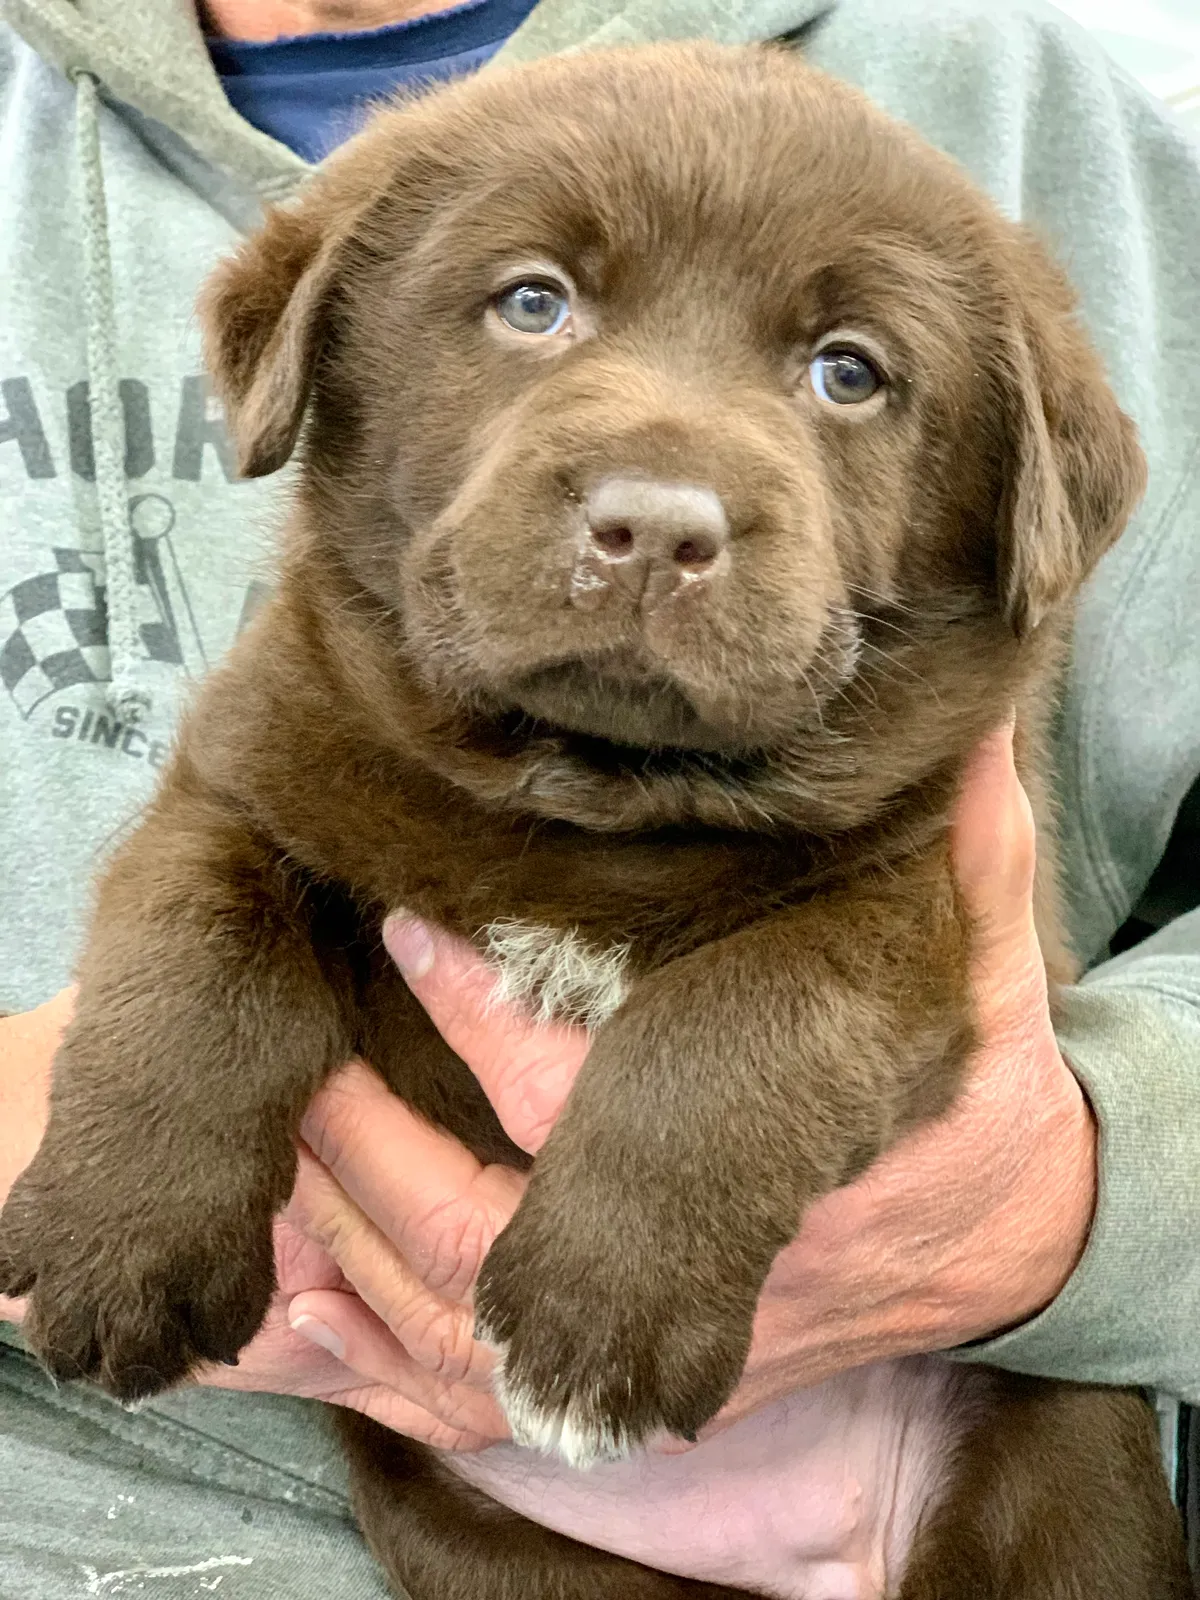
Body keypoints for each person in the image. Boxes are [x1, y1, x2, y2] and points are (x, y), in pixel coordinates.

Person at [0, 0, 1197, 1593]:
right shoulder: (304, 733)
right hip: (427, 1515)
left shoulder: (1027, 99)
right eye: (533, 301)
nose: (665, 498)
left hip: (972, 1458)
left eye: (850, 371)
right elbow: (226, 871)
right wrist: (127, 1097)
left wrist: (1094, 1188)